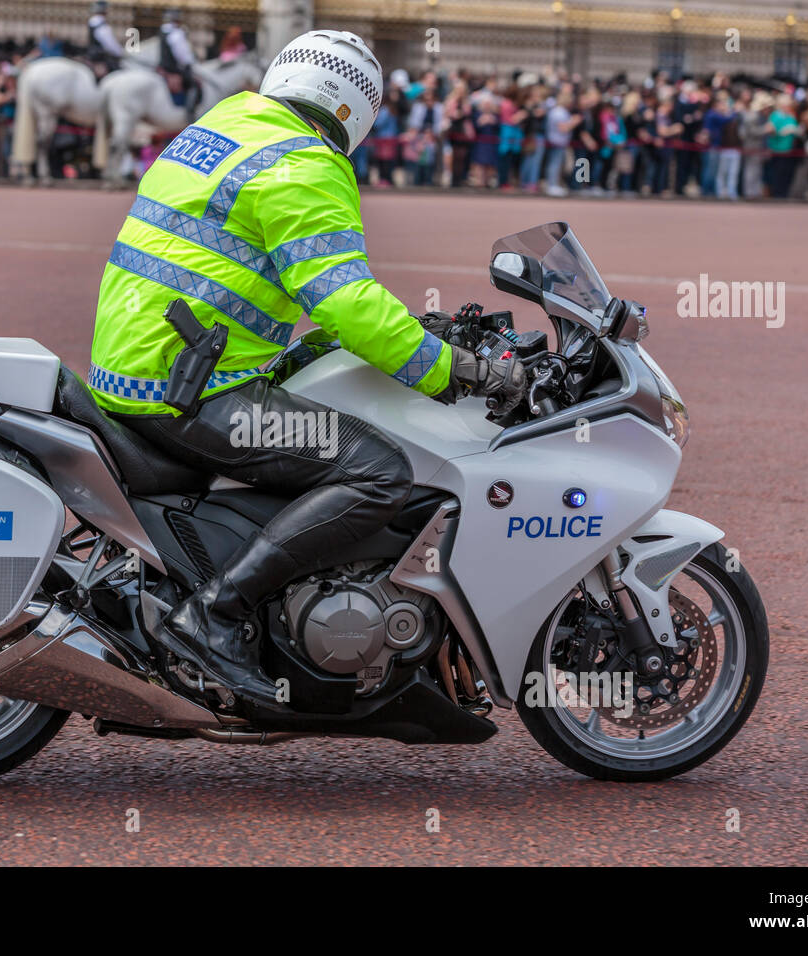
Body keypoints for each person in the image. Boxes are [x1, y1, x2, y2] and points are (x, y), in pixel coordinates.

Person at [86, 30, 527, 712]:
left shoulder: (226, 124)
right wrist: (453, 370)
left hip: (141, 364)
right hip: (194, 388)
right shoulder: (307, 163)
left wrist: (394, 333)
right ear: (358, 108)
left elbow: (279, 283)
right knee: (378, 472)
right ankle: (217, 613)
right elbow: (345, 298)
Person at [158, 7, 198, 119]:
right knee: (194, 84)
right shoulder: (176, 33)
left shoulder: (163, 30)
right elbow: (182, 55)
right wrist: (190, 63)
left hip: (163, 68)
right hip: (173, 69)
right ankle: (190, 113)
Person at [86, 1, 125, 73]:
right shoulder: (102, 25)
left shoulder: (92, 21)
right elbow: (110, 45)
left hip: (93, 54)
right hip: (101, 57)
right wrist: (121, 53)